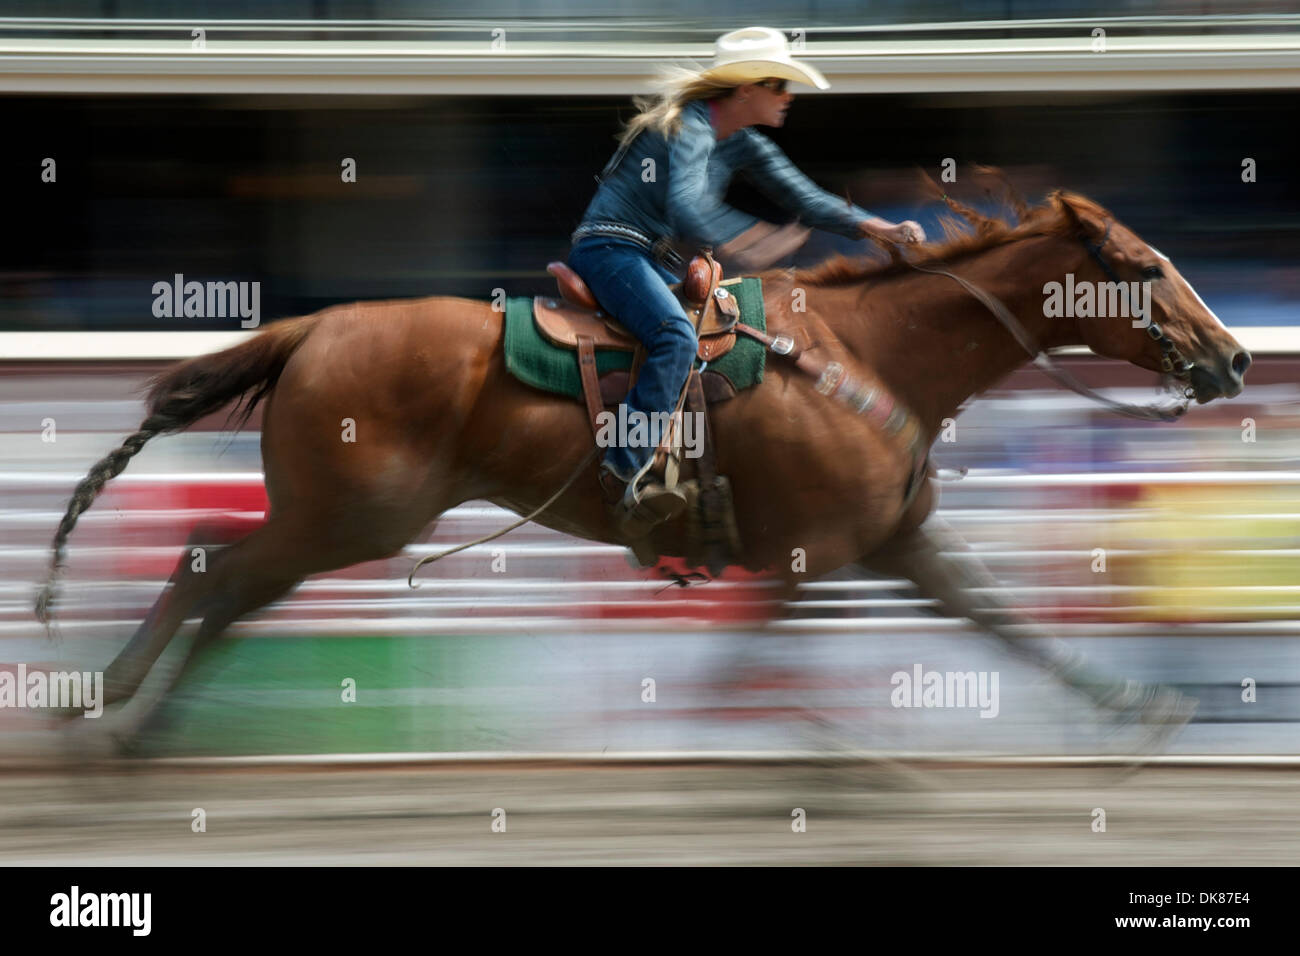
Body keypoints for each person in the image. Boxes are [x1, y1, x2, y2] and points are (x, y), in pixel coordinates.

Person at [568, 25, 925, 540]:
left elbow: (806, 199)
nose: (788, 97)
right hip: (612, 247)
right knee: (674, 336)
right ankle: (623, 468)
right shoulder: (689, 127)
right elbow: (687, 208)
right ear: (745, 90)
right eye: (780, 85)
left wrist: (880, 228)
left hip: (655, 258)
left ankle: (693, 474)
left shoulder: (744, 143)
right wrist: (750, 236)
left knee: (732, 338)